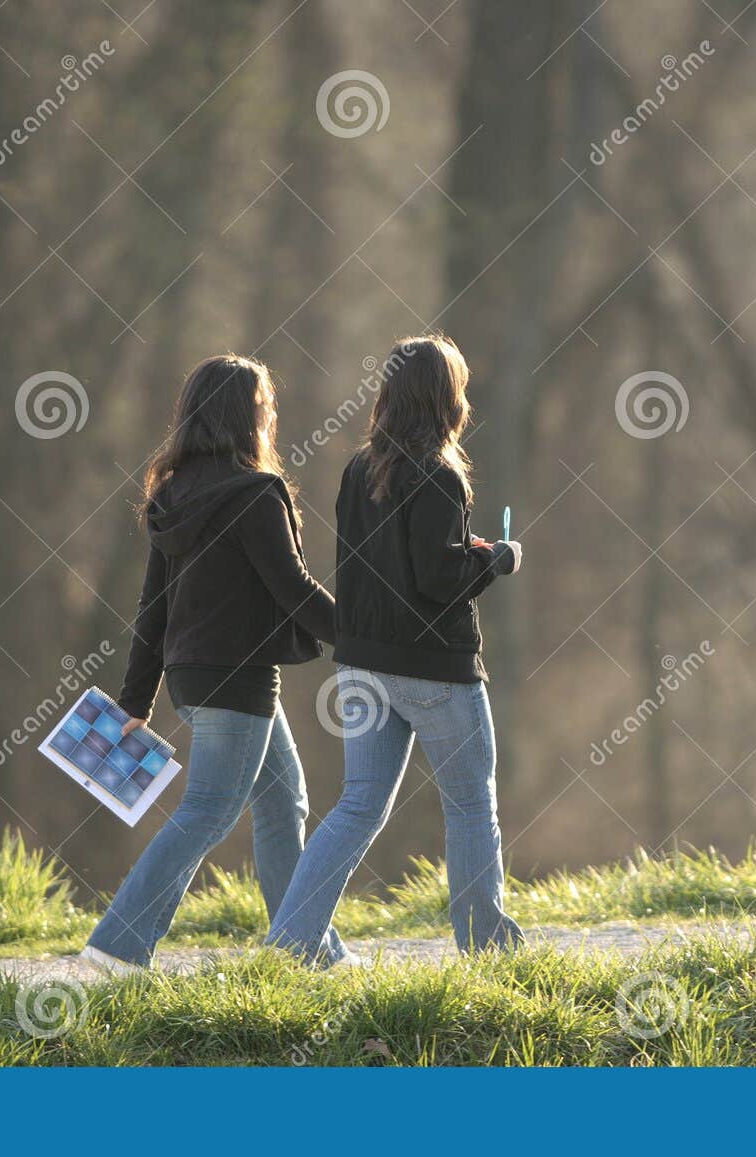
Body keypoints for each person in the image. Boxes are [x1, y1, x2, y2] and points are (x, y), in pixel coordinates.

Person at [82, 354, 348, 973]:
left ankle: (304, 949)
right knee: (209, 810)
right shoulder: (257, 493)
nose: (272, 413)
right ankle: (118, 943)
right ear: (245, 415)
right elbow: (294, 588)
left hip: (193, 678)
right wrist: (365, 636)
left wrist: (135, 699)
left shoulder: (173, 494)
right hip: (238, 679)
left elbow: (154, 605)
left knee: (284, 802)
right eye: (265, 404)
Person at [264, 334, 524, 963]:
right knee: (470, 805)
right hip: (434, 670)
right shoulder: (439, 473)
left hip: (360, 665)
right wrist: (497, 562)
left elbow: (385, 567)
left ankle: (290, 944)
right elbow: (437, 582)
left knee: (356, 805)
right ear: (446, 397)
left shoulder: (359, 471)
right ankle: (485, 947)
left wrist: (465, 553)